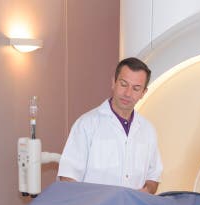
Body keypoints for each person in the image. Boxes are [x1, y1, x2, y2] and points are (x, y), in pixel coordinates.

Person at [57, 57, 162, 194]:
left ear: (143, 93)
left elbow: (153, 176)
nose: (128, 93)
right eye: (124, 84)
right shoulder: (87, 125)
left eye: (136, 88)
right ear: (113, 82)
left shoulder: (148, 130)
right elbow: (68, 177)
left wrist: (146, 192)